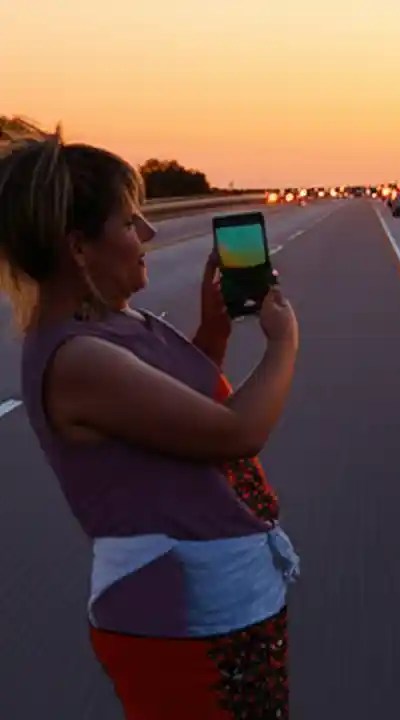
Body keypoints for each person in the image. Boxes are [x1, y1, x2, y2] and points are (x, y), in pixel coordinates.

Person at [0, 127, 301, 719]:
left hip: (221, 601)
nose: (148, 233)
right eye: (129, 221)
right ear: (77, 248)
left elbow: (172, 422)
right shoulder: (78, 357)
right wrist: (283, 345)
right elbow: (235, 433)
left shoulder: (118, 324)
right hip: (182, 615)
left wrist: (212, 334)